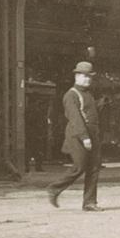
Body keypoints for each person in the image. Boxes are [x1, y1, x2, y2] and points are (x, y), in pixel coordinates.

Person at [48, 60, 102, 211]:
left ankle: (90, 202)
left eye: (90, 77)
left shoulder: (88, 94)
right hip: (78, 135)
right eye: (84, 76)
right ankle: (54, 188)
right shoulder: (71, 95)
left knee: (94, 168)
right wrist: (84, 137)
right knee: (79, 167)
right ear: (76, 76)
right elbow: (75, 118)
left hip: (92, 134)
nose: (87, 79)